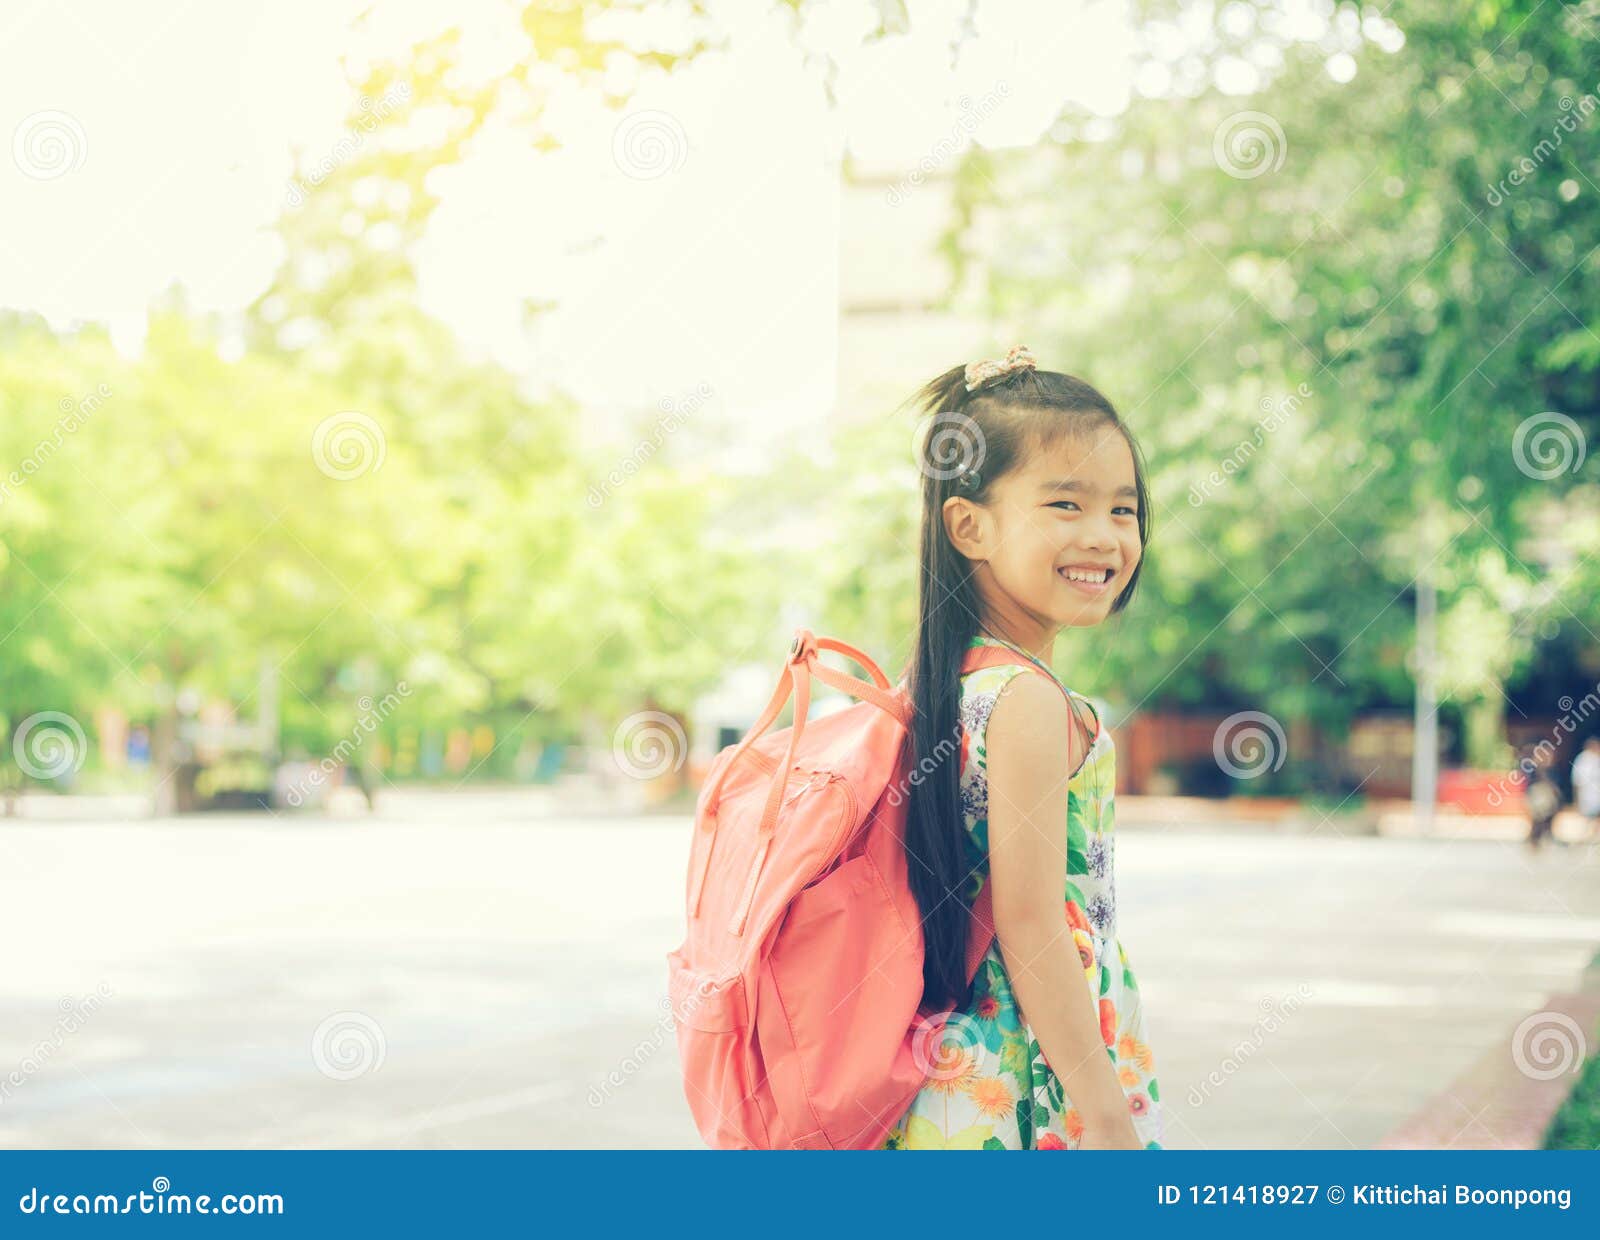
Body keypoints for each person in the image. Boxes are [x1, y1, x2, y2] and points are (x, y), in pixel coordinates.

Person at [876, 347, 1161, 1151]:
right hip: (1027, 1083)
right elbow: (1031, 926)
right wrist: (1107, 1115)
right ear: (969, 526)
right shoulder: (1027, 701)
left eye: (1124, 510)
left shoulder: (944, 684)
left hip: (949, 1084)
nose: (1103, 536)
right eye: (1066, 504)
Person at [1521, 744, 1561, 851]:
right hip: (1538, 795)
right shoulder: (1533, 767)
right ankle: (1534, 840)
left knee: (1546, 818)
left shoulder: (1550, 768)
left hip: (1546, 796)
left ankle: (1542, 837)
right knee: (1538, 819)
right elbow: (1530, 782)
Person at [1572, 736, 1600, 840]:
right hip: (1587, 797)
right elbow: (1577, 782)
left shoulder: (1596, 759)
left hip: (1596, 797)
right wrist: (1576, 801)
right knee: (1588, 820)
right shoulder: (1583, 760)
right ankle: (1587, 838)